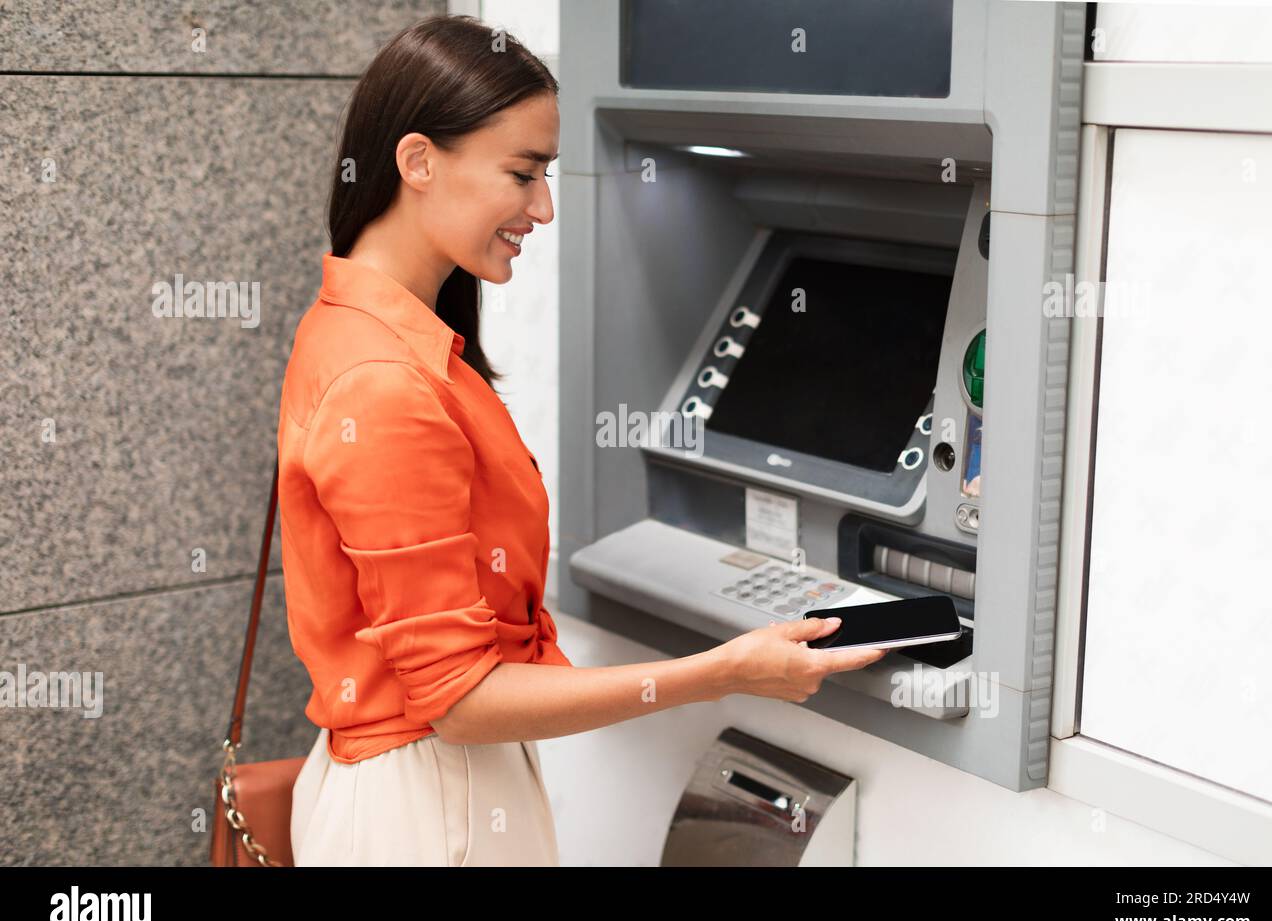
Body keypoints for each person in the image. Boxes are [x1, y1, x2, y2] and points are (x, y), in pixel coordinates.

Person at [279, 13, 889, 867]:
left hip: (423, 794)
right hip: (426, 810)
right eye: (522, 173)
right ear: (418, 162)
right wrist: (725, 670)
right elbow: (459, 699)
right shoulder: (385, 382)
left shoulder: (359, 325)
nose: (545, 206)